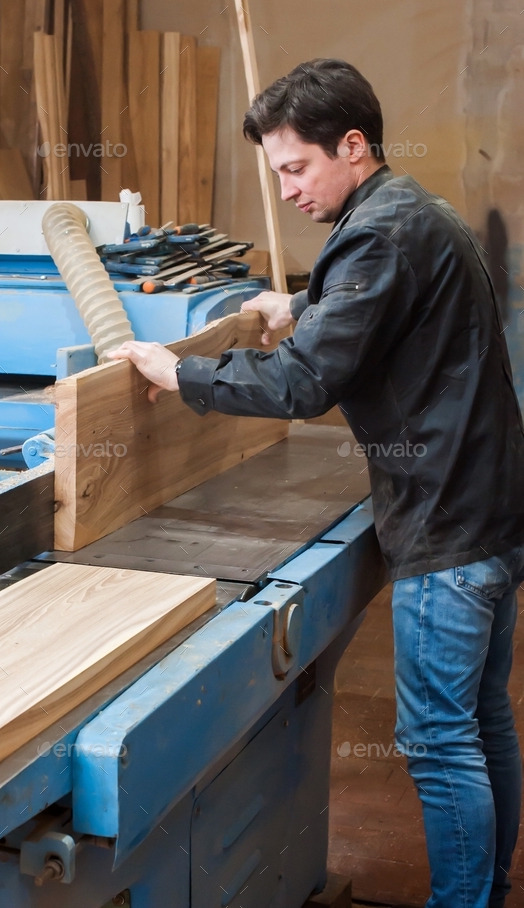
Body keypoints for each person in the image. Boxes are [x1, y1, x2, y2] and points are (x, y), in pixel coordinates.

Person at [109, 59, 524, 908]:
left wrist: (176, 372)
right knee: (482, 724)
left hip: (446, 526)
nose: (289, 190)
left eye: (297, 167)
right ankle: (487, 885)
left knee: (440, 741)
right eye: (277, 174)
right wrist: (301, 302)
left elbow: (301, 385)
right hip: (490, 511)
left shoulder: (378, 232)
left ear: (354, 145)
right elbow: (388, 307)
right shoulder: (413, 210)